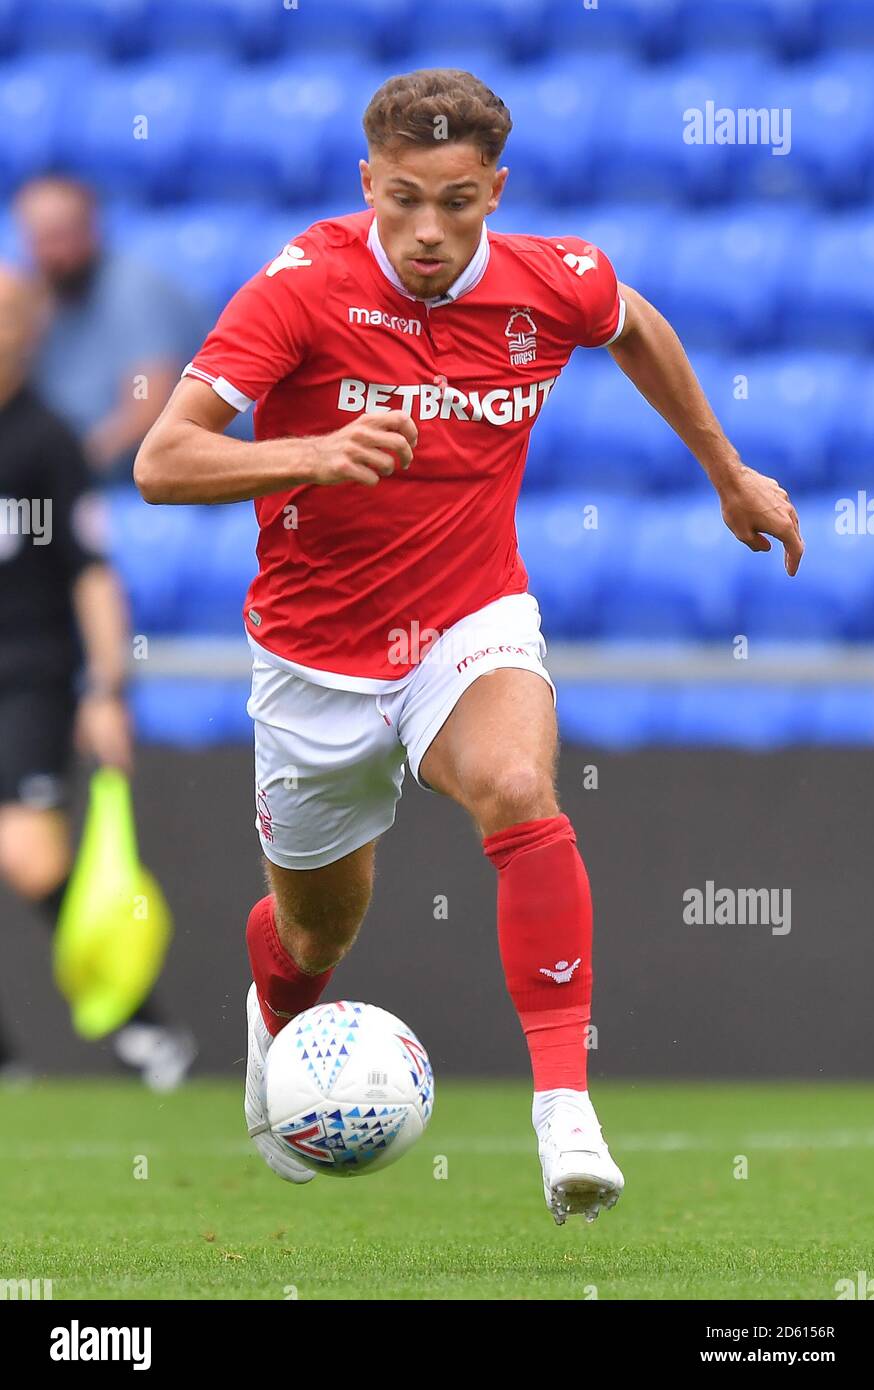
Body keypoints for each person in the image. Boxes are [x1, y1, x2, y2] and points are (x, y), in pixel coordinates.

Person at [134, 70, 803, 1222]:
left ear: (496, 188)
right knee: (312, 930)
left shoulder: (555, 278)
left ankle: (563, 1110)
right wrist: (313, 454)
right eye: (403, 200)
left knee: (513, 781)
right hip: (314, 658)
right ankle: (275, 1015)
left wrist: (725, 469)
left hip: (468, 617)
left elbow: (633, 323)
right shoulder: (300, 289)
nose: (429, 229)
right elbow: (162, 460)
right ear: (367, 185)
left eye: (456, 200)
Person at [0, 265, 195, 1090]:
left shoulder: (46, 441)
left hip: (29, 676)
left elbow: (90, 571)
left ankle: (144, 1026)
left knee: (31, 854)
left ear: (29, 330)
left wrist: (108, 689)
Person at [14, 175, 197, 484]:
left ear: (91, 230)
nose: (50, 254)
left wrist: (64, 466)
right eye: (39, 239)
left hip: (134, 482)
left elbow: (149, 411)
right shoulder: (37, 300)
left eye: (60, 236)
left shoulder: (134, 291)